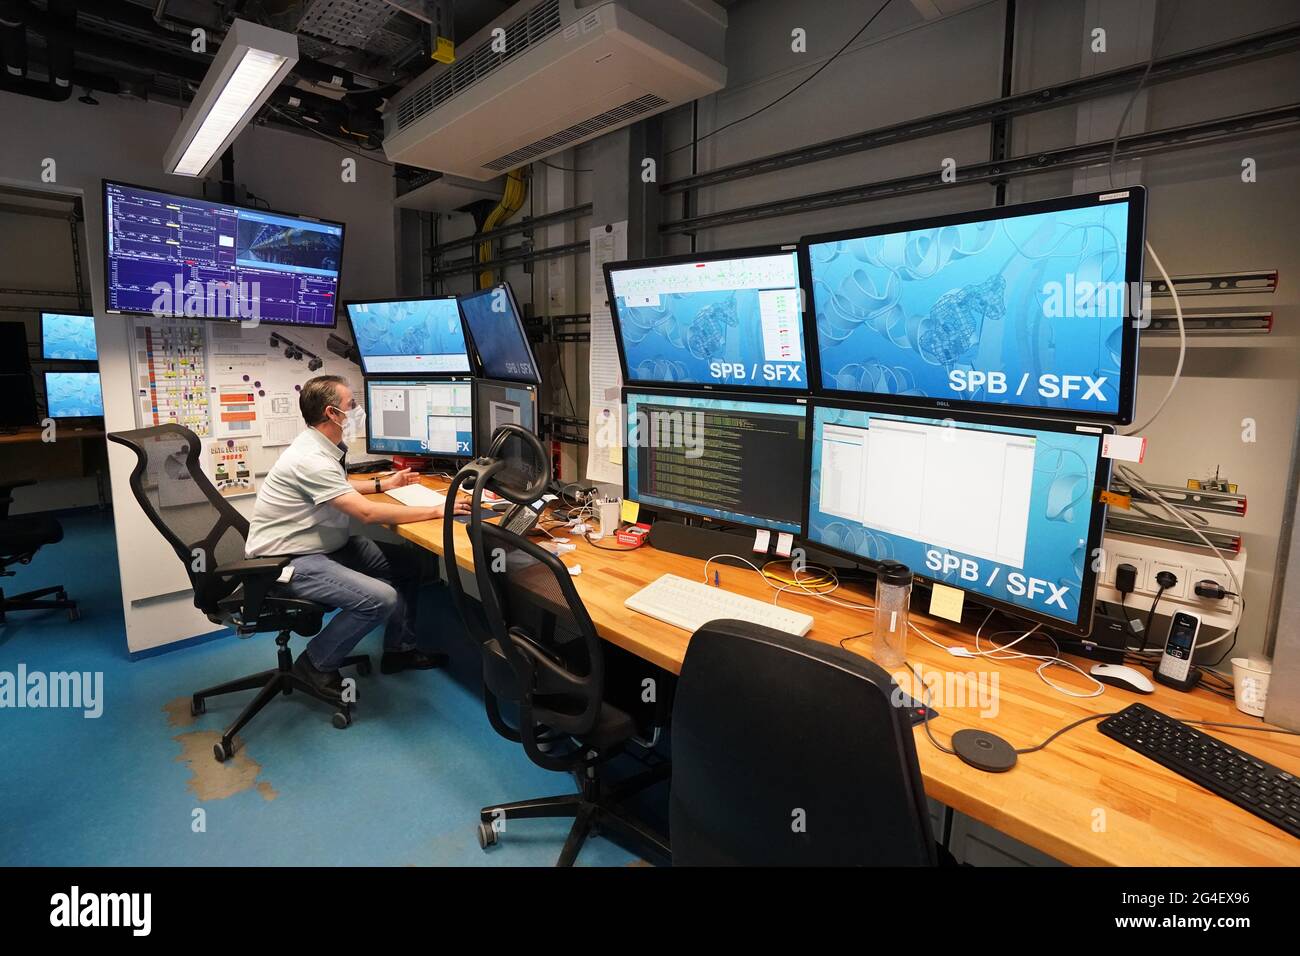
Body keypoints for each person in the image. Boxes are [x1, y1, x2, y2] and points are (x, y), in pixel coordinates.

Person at [245, 374, 470, 700]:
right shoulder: (311, 459)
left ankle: (400, 650)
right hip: (289, 560)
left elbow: (337, 487)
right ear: (332, 414)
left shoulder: (320, 446)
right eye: (351, 405)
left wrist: (383, 485)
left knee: (408, 565)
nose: (357, 411)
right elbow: (367, 514)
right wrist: (437, 510)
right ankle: (315, 663)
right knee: (381, 598)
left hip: (324, 546)